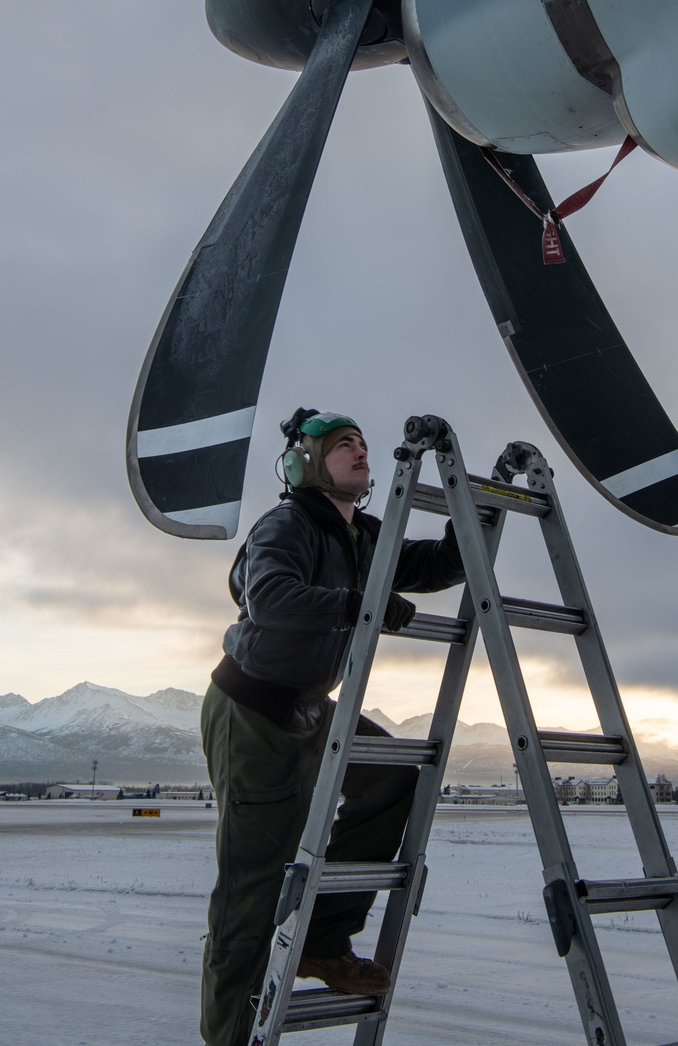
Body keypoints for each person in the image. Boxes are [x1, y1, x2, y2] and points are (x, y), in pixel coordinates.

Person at [200, 408, 465, 1046]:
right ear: (306, 463)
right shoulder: (287, 524)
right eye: (345, 444)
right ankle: (229, 1036)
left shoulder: (362, 537)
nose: (361, 452)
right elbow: (268, 596)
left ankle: (321, 939)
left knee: (396, 778)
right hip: (254, 712)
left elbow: (433, 566)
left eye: (364, 444)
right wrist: (358, 604)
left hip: (315, 708)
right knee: (254, 887)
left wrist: (471, 515)